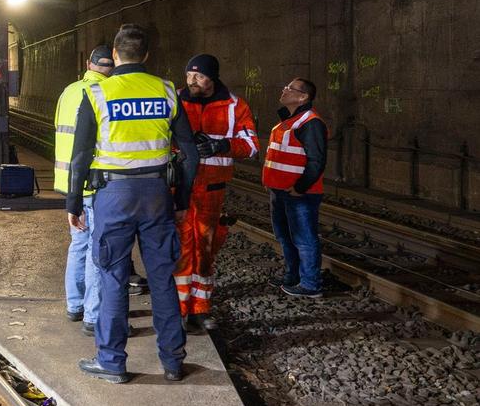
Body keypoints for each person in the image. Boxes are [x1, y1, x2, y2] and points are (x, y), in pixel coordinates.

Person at [66, 24, 198, 383]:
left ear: (115, 52)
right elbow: (188, 152)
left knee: (112, 277)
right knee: (162, 278)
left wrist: (73, 203)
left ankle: (112, 362)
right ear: (147, 55)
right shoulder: (167, 91)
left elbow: (80, 157)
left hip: (113, 197)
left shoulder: (97, 93)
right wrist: (182, 199)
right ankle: (173, 361)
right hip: (157, 195)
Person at [176, 54, 258, 333]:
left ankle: (200, 308)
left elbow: (252, 145)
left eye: (198, 76)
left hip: (211, 190)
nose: (192, 81)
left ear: (212, 77)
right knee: (181, 248)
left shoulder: (235, 105)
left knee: (206, 248)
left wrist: (220, 145)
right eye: (189, 75)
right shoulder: (176, 99)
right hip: (180, 186)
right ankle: (179, 309)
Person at [55, 45, 114, 327]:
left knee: (78, 244)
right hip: (93, 181)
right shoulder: (105, 93)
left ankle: (74, 305)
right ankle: (93, 315)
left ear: (88, 64)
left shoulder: (68, 91)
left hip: (69, 181)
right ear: (111, 67)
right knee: (96, 248)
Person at [262, 77, 327, 298]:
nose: (284, 89)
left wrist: (300, 187)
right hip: (280, 191)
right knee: (285, 237)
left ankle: (310, 284)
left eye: (290, 88)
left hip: (299, 194)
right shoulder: (287, 121)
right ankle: (293, 276)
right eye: (286, 86)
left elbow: (316, 161)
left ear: (303, 97)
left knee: (304, 239)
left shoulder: (310, 122)